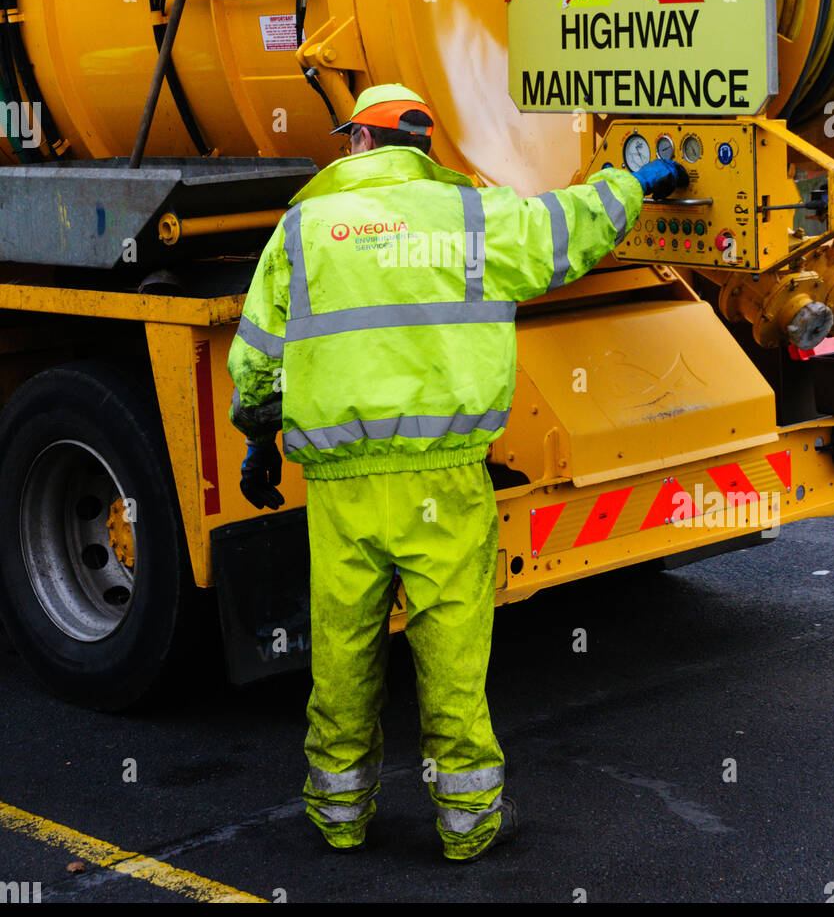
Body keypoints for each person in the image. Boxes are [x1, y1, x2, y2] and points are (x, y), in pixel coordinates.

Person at [227, 83, 684, 861]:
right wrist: (635, 181)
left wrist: (257, 436)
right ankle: (466, 824)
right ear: (421, 147)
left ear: (362, 142)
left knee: (342, 645)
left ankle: (339, 815)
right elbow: (568, 226)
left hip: (341, 485)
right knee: (451, 648)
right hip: (444, 478)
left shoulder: (305, 228)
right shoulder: (476, 217)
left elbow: (257, 360)